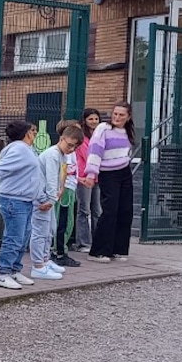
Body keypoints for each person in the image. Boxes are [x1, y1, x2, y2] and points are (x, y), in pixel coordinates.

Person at [0, 120, 42, 290]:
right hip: (14, 200)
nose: (35, 133)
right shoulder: (19, 148)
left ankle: (14, 270)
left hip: (25, 200)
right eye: (33, 130)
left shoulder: (26, 149)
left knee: (22, 238)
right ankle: (2, 273)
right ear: (27, 133)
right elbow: (3, 166)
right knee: (14, 238)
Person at [30, 124, 84, 280]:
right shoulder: (53, 154)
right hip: (42, 198)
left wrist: (60, 190)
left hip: (49, 197)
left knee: (49, 230)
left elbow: (61, 175)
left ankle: (45, 261)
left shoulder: (61, 154)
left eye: (75, 147)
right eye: (69, 145)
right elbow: (51, 178)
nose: (71, 149)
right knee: (40, 232)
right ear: (62, 138)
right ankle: (38, 265)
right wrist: (52, 198)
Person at [84, 103, 135, 263]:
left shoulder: (127, 131)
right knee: (110, 211)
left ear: (128, 117)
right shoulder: (103, 128)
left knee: (125, 210)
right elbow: (95, 150)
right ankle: (98, 251)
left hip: (124, 172)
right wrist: (91, 174)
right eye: (115, 114)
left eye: (121, 115)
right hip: (108, 173)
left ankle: (117, 249)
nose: (117, 118)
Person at [52, 119, 83, 268]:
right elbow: (64, 170)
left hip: (71, 186)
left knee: (67, 221)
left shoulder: (71, 150)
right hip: (66, 189)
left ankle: (59, 250)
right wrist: (62, 187)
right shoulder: (65, 151)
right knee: (63, 221)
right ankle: (59, 252)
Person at [73, 108, 103, 252]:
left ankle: (98, 241)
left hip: (97, 177)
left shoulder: (100, 136)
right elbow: (88, 155)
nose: (94, 122)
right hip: (84, 177)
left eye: (96, 119)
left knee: (97, 210)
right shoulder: (81, 137)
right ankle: (83, 243)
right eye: (90, 119)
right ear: (85, 120)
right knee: (84, 210)